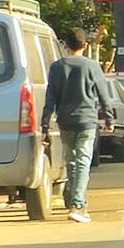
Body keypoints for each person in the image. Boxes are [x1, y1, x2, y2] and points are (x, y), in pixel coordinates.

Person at [40, 27, 115, 223]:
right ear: (85, 45)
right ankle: (78, 205)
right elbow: (103, 95)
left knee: (71, 160)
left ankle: (74, 199)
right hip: (87, 120)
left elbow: (50, 97)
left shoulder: (56, 67)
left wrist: (45, 124)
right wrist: (109, 118)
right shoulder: (92, 66)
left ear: (65, 45)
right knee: (83, 161)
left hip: (65, 120)